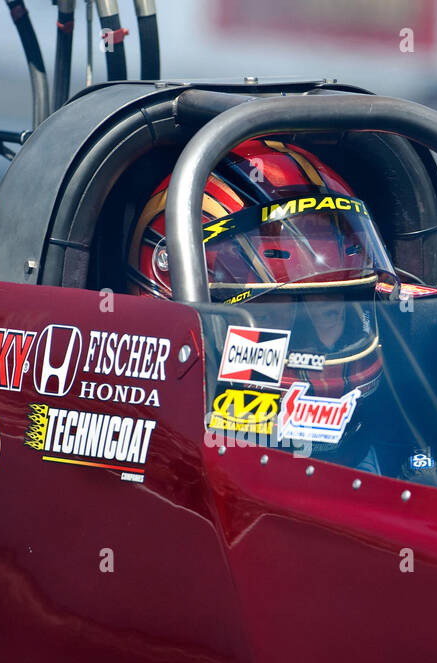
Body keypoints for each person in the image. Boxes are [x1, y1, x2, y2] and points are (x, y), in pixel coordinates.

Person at [126, 138, 400, 473]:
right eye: (273, 314)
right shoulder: (142, 462)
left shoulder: (398, 445)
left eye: (332, 312)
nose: (310, 339)